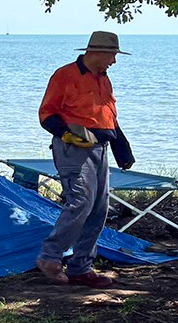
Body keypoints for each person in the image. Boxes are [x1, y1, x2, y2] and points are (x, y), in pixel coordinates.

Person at [35, 30, 135, 288]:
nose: (114, 61)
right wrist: (66, 134)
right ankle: (50, 257)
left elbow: (109, 116)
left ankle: (81, 267)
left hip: (100, 148)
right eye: (112, 55)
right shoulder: (65, 75)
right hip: (74, 149)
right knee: (80, 202)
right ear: (97, 53)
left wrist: (121, 146)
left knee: (99, 209)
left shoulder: (104, 79)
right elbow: (47, 114)